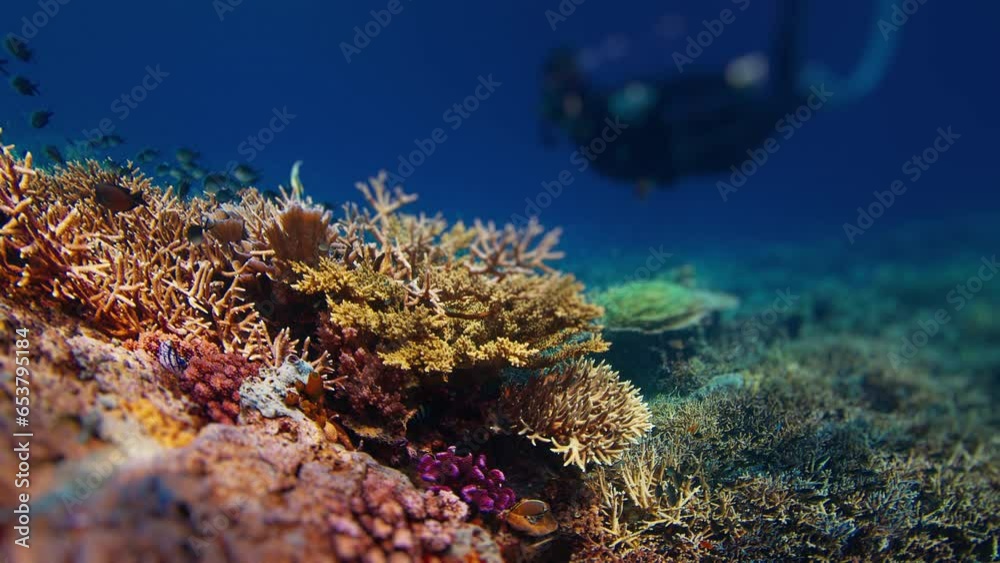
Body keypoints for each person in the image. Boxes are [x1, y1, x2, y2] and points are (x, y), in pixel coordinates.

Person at [539, 0, 900, 193]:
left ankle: (809, 76)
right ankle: (811, 89)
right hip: (714, 151)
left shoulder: (609, 104)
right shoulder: (583, 128)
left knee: (780, 93)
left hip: (714, 139)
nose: (567, 104)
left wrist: (728, 79)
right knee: (781, 97)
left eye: (568, 88)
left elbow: (670, 89)